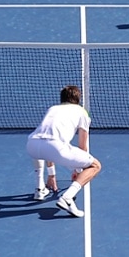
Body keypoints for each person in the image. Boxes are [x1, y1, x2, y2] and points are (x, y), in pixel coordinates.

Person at [25, 85, 101, 218]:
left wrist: (52, 175)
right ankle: (68, 197)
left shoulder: (52, 109)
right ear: (78, 99)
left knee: (42, 144)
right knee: (95, 165)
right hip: (55, 148)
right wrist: (78, 171)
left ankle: (40, 190)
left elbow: (46, 141)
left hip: (31, 145)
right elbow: (83, 146)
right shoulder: (82, 112)